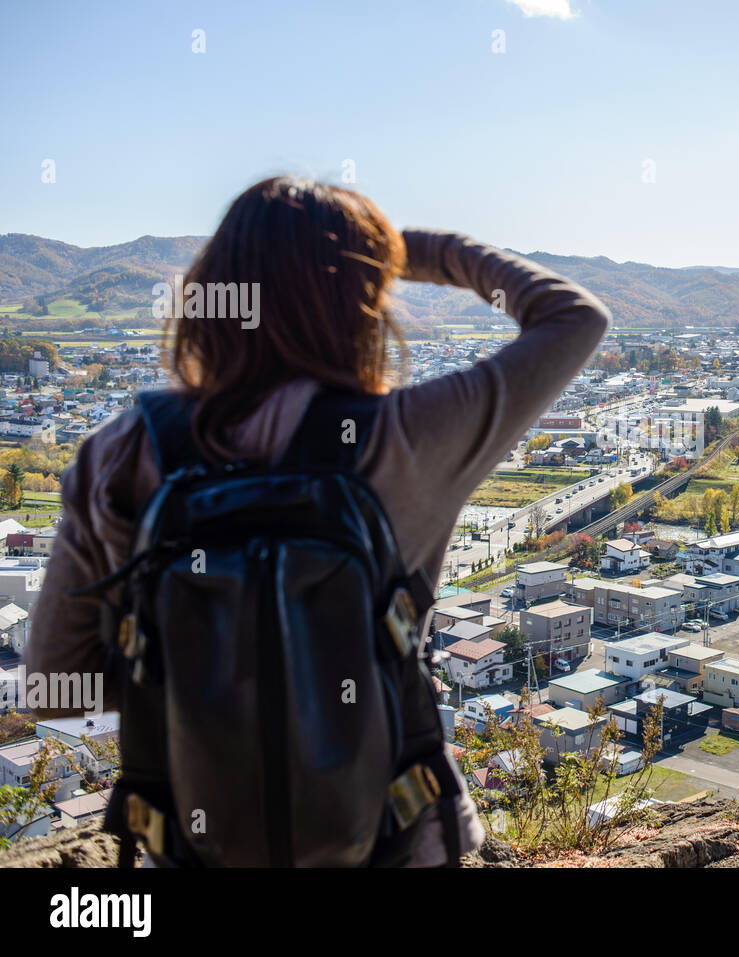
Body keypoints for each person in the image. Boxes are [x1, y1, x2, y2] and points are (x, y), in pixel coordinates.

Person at [23, 176, 611, 865]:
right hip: (394, 839)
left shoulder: (123, 452)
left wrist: (201, 666)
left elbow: (53, 688)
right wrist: (417, 251)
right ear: (362, 303)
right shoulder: (408, 434)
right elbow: (575, 316)